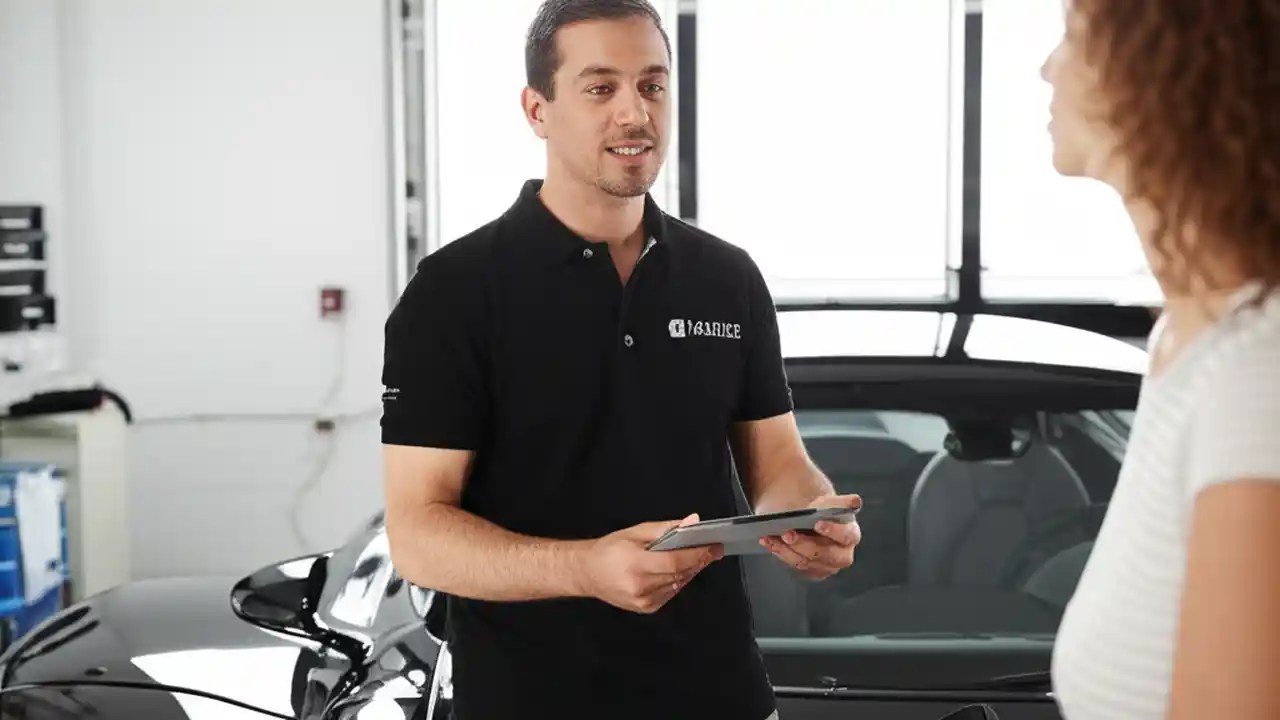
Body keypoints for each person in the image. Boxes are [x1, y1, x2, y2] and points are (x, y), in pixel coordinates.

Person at [379, 1, 861, 718]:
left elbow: (778, 466)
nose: (635, 113)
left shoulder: (726, 278)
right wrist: (584, 568)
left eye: (652, 85)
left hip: (719, 696)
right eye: (601, 88)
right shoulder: (454, 292)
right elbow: (419, 537)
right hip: (528, 702)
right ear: (537, 110)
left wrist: (808, 515)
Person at [1041, 2, 1280, 719]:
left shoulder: (1255, 378)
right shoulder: (1185, 340)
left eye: (1073, 37)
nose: (1047, 68)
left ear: (1161, 72)